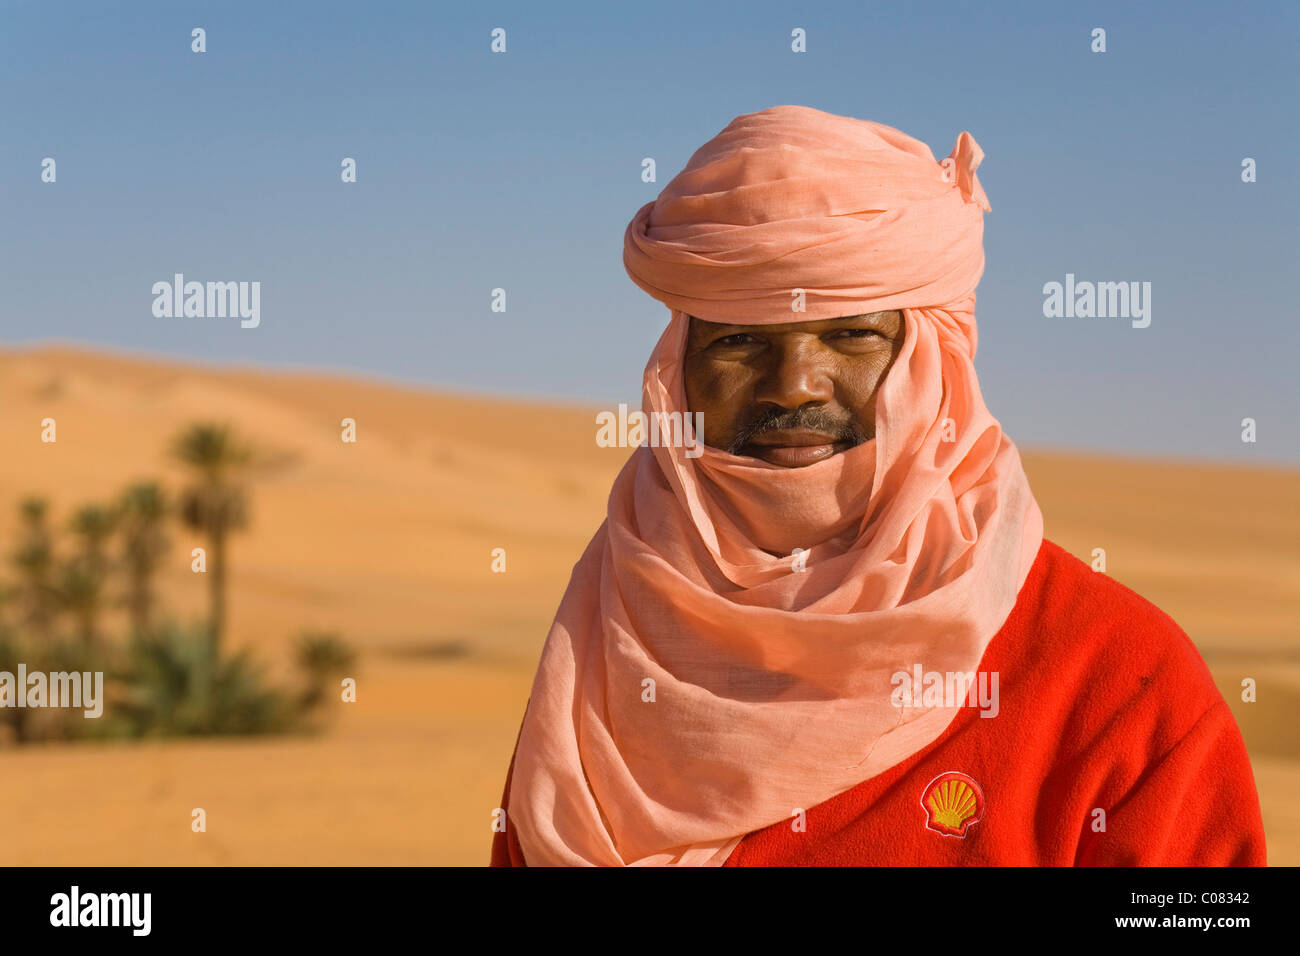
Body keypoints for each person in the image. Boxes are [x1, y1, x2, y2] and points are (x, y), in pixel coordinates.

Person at [490, 105, 1265, 866]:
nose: (793, 386)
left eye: (852, 333)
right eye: (737, 340)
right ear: (678, 374)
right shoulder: (606, 647)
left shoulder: (1115, 682)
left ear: (936, 363)